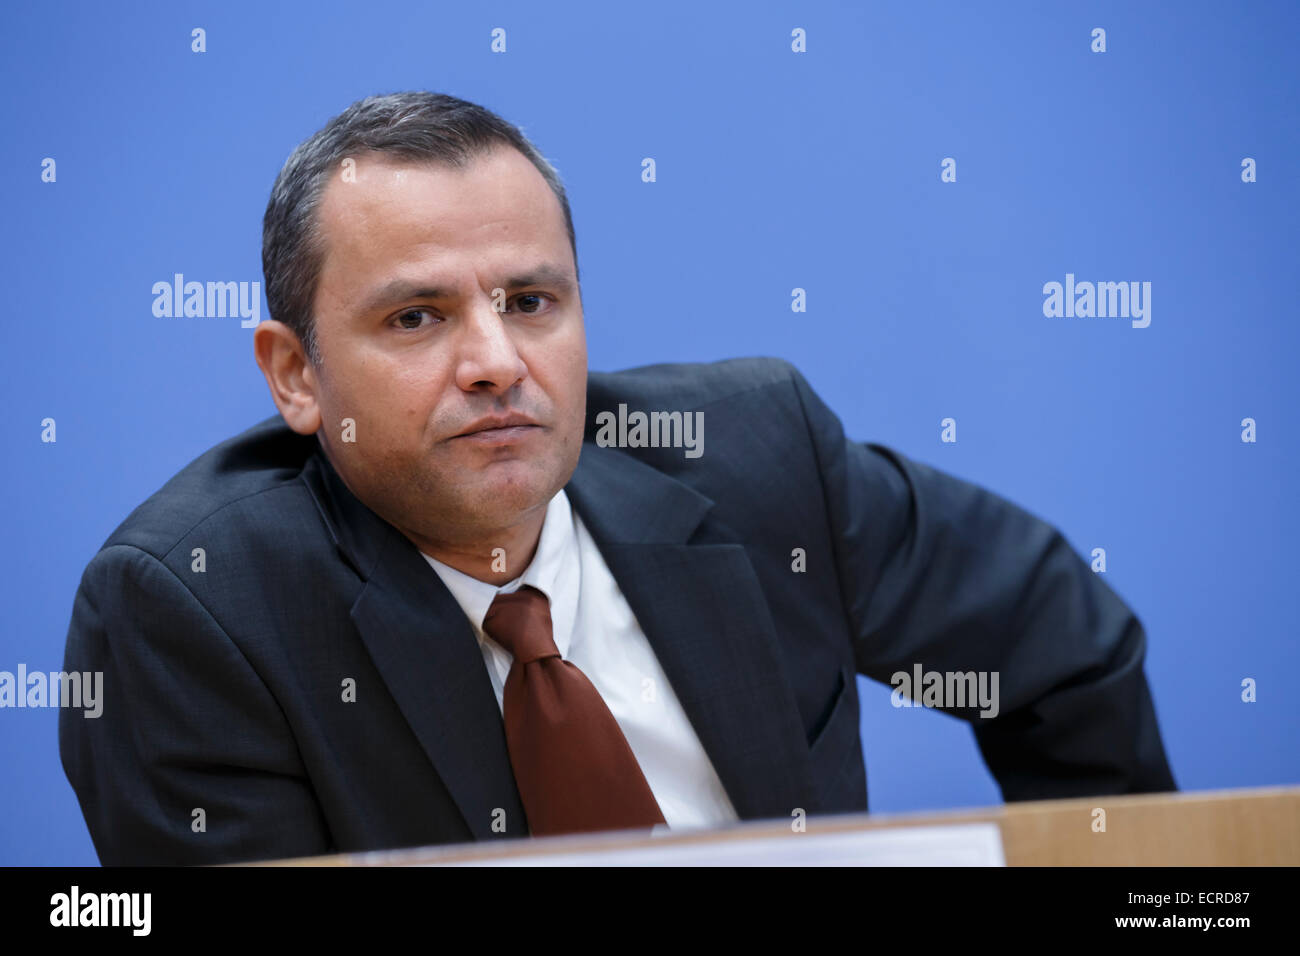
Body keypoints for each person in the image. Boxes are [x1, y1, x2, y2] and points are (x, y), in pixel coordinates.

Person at [58, 91, 1177, 866]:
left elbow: (1057, 644)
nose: (497, 360)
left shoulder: (755, 458)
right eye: (417, 315)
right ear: (296, 374)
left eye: (531, 301)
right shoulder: (194, 608)